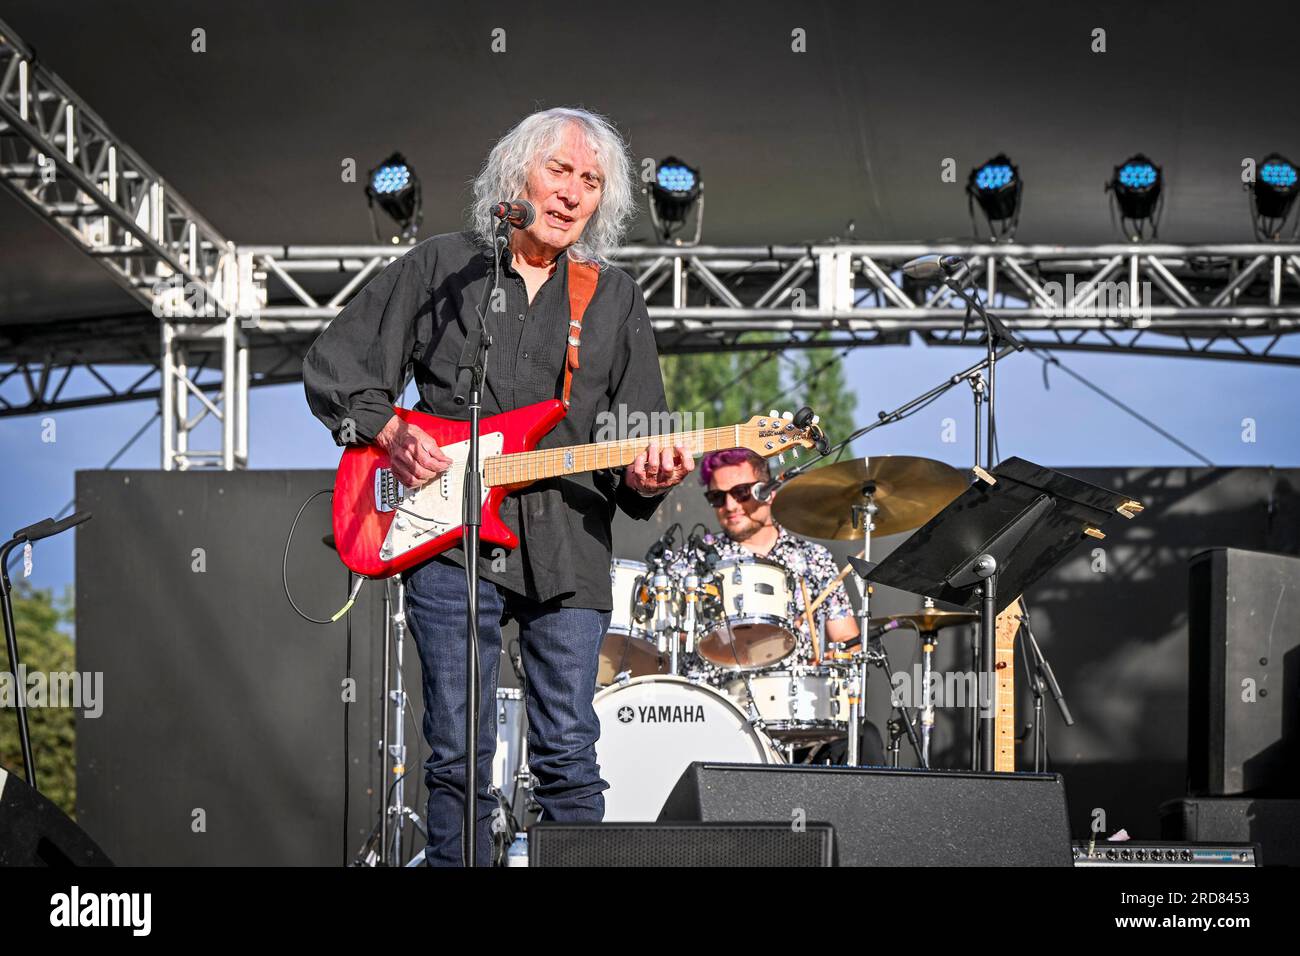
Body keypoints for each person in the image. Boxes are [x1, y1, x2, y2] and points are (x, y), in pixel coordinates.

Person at [302, 107, 694, 865]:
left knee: (571, 757)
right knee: (456, 755)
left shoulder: (612, 296)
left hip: (570, 544)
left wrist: (648, 471)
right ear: (517, 173)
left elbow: (634, 441)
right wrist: (391, 433)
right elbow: (338, 367)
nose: (574, 192)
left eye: (592, 182)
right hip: (450, 546)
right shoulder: (442, 265)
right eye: (560, 171)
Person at [693, 447, 885, 765]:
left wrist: (826, 662)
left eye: (741, 493)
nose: (729, 505)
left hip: (802, 709)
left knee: (864, 741)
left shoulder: (812, 558)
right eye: (717, 497)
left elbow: (848, 645)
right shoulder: (698, 559)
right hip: (721, 709)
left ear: (768, 492)